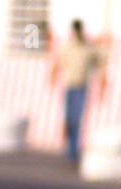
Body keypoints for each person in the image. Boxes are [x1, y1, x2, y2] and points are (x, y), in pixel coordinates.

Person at [51, 19, 104, 163]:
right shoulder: (68, 47)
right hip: (69, 87)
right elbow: (57, 63)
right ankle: (69, 147)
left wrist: (103, 86)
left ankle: (73, 151)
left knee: (76, 119)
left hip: (81, 87)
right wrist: (52, 79)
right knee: (69, 119)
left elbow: (100, 64)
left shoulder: (89, 49)